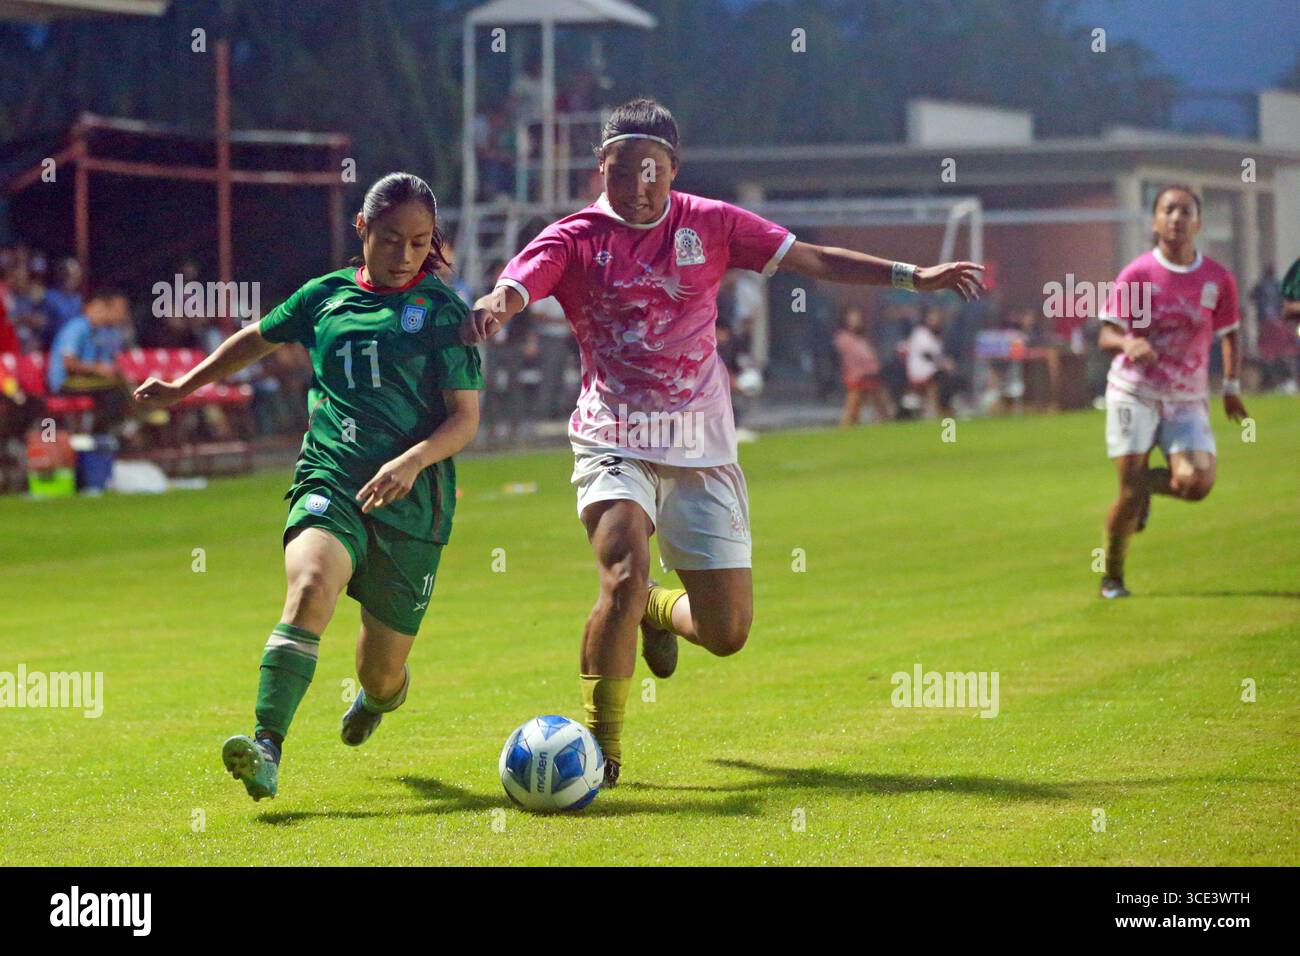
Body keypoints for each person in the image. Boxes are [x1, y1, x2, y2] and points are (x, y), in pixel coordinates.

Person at [460, 98, 984, 786]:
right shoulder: (575, 235)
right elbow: (518, 282)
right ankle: (600, 748)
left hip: (701, 444)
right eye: (624, 170)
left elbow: (815, 259)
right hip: (613, 433)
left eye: (654, 170)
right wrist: (497, 305)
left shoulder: (712, 223)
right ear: (602, 167)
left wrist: (912, 277)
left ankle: (655, 607)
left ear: (674, 168)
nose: (640, 186)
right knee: (620, 570)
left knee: (727, 632)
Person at [133, 172, 484, 801]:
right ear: (361, 229)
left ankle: (382, 697)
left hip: (413, 501)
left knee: (379, 671)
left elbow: (465, 418)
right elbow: (257, 339)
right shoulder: (325, 296)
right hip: (332, 477)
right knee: (311, 585)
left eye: (418, 242)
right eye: (388, 239)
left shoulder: (443, 313)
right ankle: (266, 746)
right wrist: (186, 385)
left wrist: (412, 461)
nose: (403, 255)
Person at [1097, 185, 1246, 599]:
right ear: (1155, 221)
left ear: (1198, 223)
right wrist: (1127, 343)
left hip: (1185, 399)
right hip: (1134, 393)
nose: (1176, 218)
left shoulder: (1217, 279)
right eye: (1168, 210)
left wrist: (1231, 387)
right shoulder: (1139, 275)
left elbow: (1230, 334)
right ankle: (1112, 576)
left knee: (1196, 483)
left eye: (1185, 211)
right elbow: (1106, 333)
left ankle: (1141, 489)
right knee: (1127, 496)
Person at [47, 289, 134, 434]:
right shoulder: (76, 328)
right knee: (114, 393)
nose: (101, 313)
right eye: (98, 308)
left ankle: (107, 433)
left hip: (86, 381)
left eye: (103, 309)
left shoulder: (99, 331)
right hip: (65, 383)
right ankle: (103, 433)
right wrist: (97, 369)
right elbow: (69, 364)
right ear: (87, 308)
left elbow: (107, 361)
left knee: (119, 383)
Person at [834, 303, 893, 424]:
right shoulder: (843, 338)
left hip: (872, 376)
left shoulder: (862, 338)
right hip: (857, 377)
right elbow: (853, 359)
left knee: (883, 409)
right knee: (852, 412)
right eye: (853, 316)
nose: (856, 319)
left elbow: (871, 358)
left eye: (858, 316)